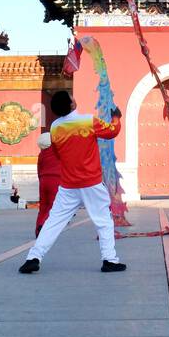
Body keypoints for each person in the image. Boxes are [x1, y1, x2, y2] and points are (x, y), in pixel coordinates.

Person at [19, 91, 123, 274]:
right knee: (103, 221)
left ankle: (33, 257)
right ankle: (109, 260)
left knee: (53, 221)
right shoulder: (89, 121)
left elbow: (59, 155)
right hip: (92, 182)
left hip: (68, 185)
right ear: (72, 105)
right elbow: (113, 131)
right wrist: (116, 117)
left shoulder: (55, 128)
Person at [34, 131, 61, 238]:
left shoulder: (41, 155)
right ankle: (43, 225)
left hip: (43, 181)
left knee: (43, 206)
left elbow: (38, 170)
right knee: (52, 206)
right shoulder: (57, 151)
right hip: (55, 180)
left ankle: (37, 229)